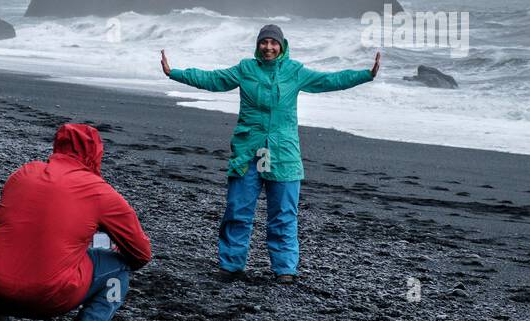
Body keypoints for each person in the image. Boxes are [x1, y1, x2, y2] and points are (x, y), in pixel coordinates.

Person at [160, 24, 379, 284]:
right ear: (258, 45)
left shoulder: (294, 71)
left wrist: (366, 74)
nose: (268, 47)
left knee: (284, 213)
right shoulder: (245, 69)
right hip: (248, 151)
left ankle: (284, 269)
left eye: (273, 43)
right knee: (237, 210)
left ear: (282, 46)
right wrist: (174, 73)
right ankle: (231, 265)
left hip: (283, 154)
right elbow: (213, 79)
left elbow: (329, 80)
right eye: (264, 42)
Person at [0, 123, 152, 321]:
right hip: (53, 295)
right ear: (96, 153)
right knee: (121, 265)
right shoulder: (99, 192)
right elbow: (141, 254)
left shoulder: (23, 173)